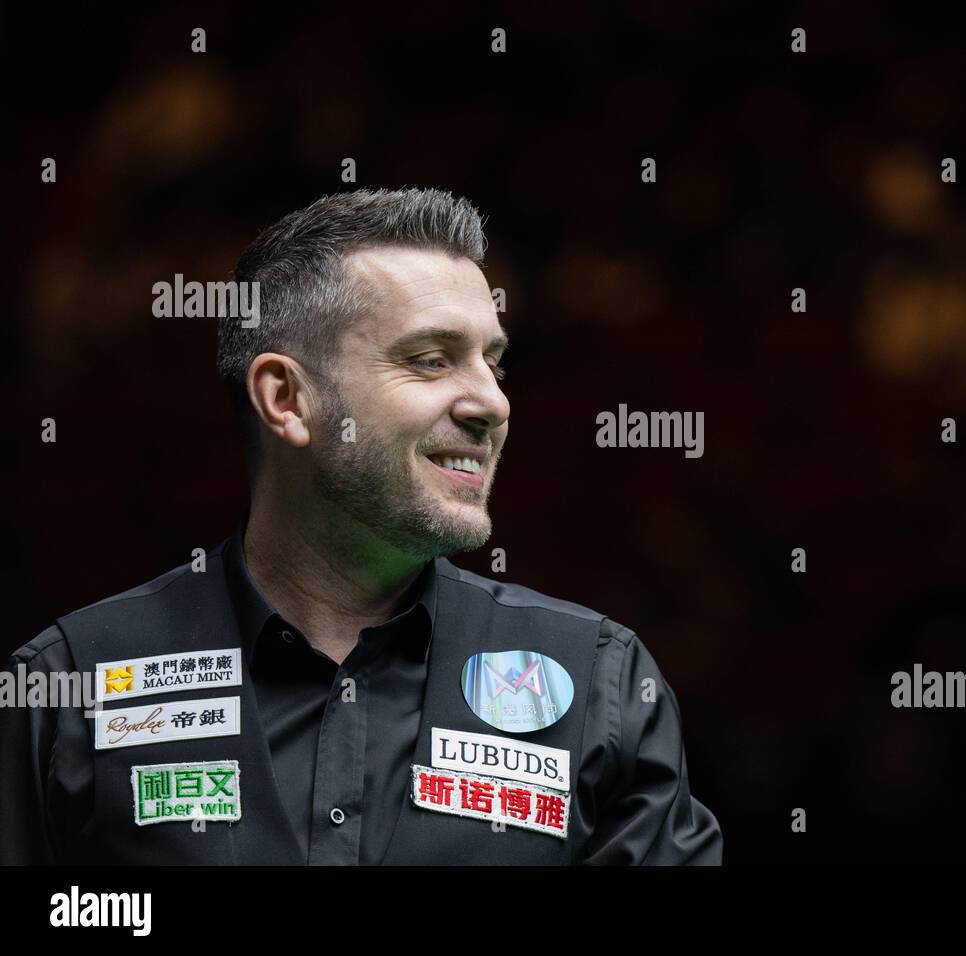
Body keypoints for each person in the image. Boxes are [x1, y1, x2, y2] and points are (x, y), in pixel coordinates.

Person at [0, 188, 722, 865]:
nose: (492, 403)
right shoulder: (71, 685)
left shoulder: (598, 681)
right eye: (431, 359)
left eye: (494, 363)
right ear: (287, 398)